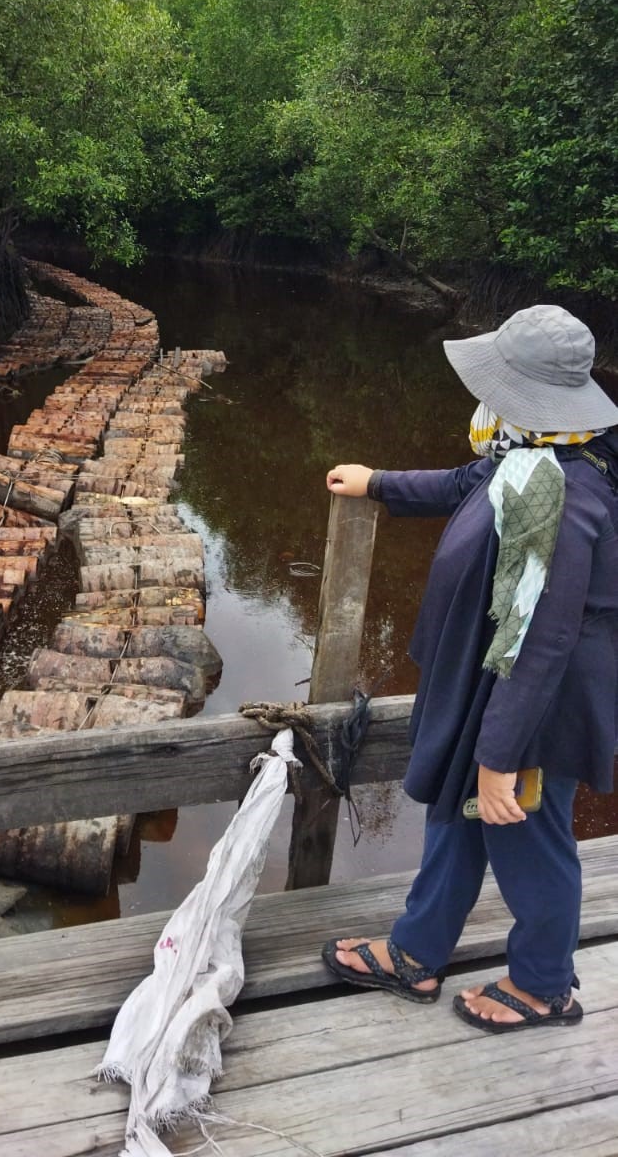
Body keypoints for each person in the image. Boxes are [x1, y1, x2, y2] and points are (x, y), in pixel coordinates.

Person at [321, 304, 618, 1033]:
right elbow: (466, 484)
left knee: (525, 836)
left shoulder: (567, 495)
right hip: (491, 685)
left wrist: (498, 755)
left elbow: (546, 639)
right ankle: (417, 952)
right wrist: (379, 483)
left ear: (522, 393)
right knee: (455, 819)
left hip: (534, 708)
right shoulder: (532, 454)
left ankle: (545, 986)